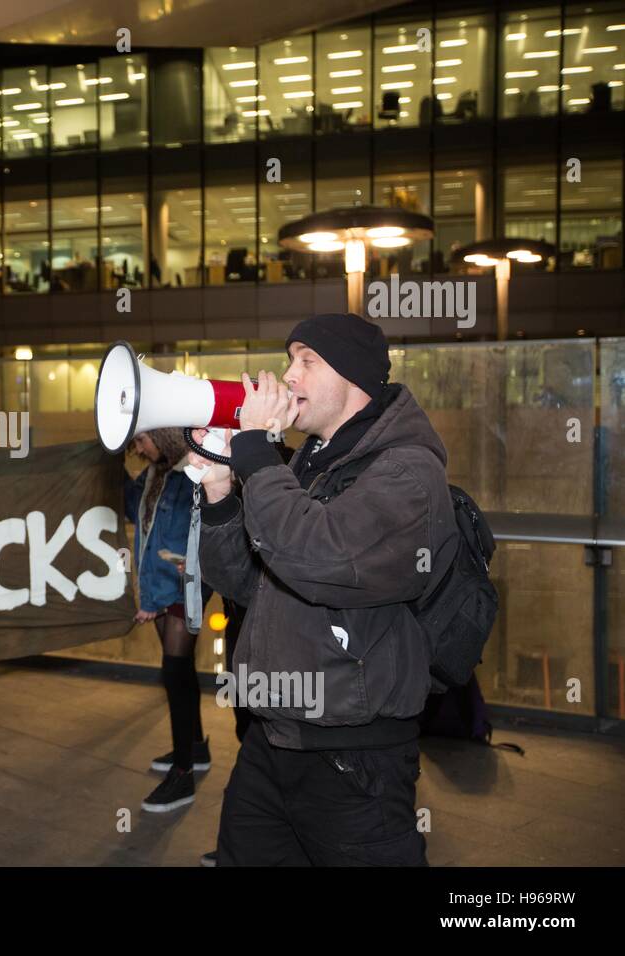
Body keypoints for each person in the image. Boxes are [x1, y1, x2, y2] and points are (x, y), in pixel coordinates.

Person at [192, 313, 457, 866]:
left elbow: (322, 559)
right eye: (290, 359)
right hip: (273, 736)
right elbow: (243, 581)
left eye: (307, 361)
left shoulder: (405, 473)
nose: (290, 376)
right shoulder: (313, 465)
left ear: (354, 379)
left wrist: (255, 452)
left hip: (352, 753)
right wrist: (220, 491)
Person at [123, 427, 210, 814]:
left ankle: (182, 775)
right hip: (163, 587)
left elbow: (175, 548)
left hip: (180, 587)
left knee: (173, 672)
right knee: (182, 669)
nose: (139, 447)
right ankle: (195, 747)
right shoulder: (157, 471)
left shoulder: (187, 474)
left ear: (163, 434)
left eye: (143, 439)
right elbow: (134, 512)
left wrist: (154, 601)